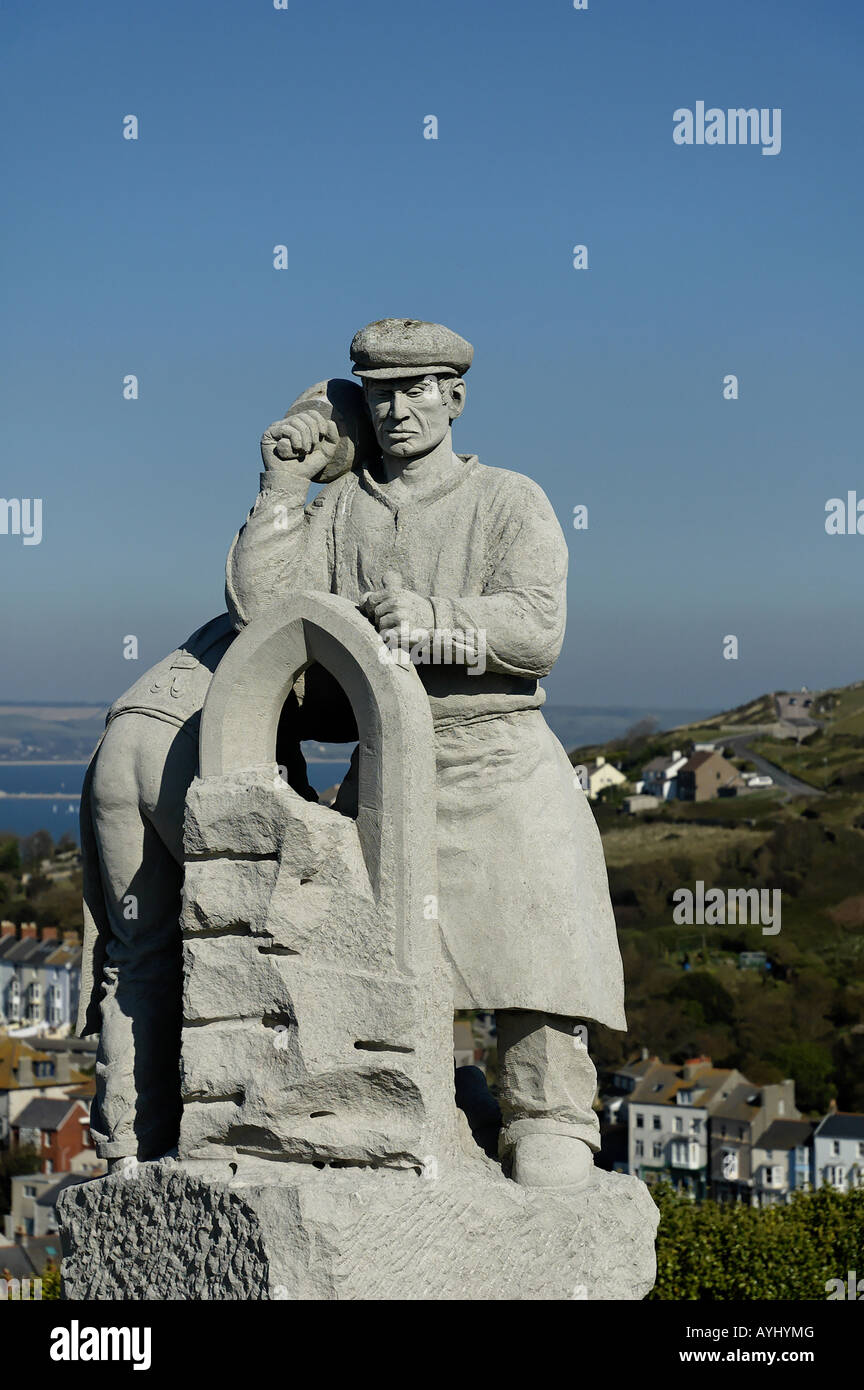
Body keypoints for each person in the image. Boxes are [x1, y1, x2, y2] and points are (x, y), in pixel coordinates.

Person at [225, 318, 626, 1188]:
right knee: (365, 947)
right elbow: (265, 616)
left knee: (544, 933)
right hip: (389, 767)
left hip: (500, 754)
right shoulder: (341, 513)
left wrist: (439, 622)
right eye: (379, 394)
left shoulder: (510, 499)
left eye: (415, 390)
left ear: (455, 396)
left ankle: (547, 1114)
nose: (398, 409)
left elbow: (538, 627)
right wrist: (283, 483)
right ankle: (405, 1096)